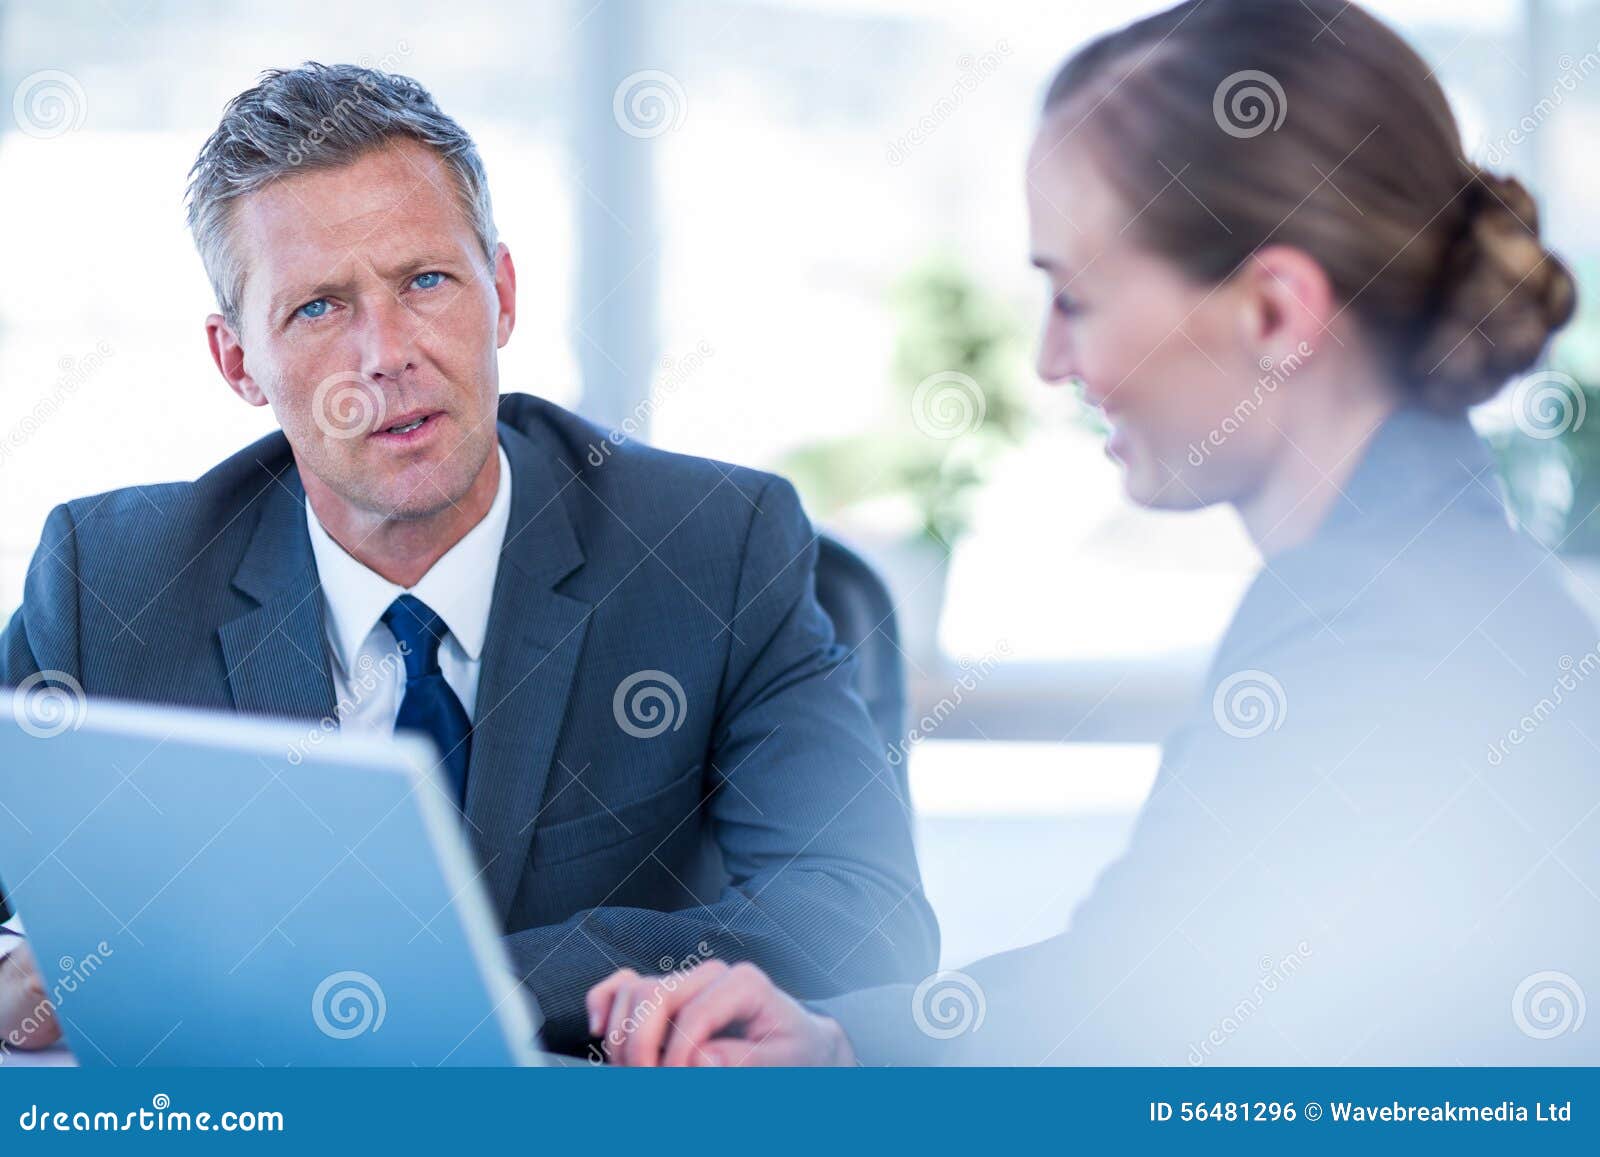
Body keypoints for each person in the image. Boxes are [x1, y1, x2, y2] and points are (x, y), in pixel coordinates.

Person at [589, 0, 1599, 1066]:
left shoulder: (1380, 638)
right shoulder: (1417, 579)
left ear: (1272, 313)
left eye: (1075, 297)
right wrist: (843, 1043)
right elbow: (1145, 974)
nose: (1049, 360)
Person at [0, 63, 937, 1056]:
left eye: (426, 281)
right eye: (318, 306)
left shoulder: (712, 546)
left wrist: (444, 985)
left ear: (502, 293)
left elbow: (862, 910)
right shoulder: (113, 581)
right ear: (237, 361)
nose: (386, 352)